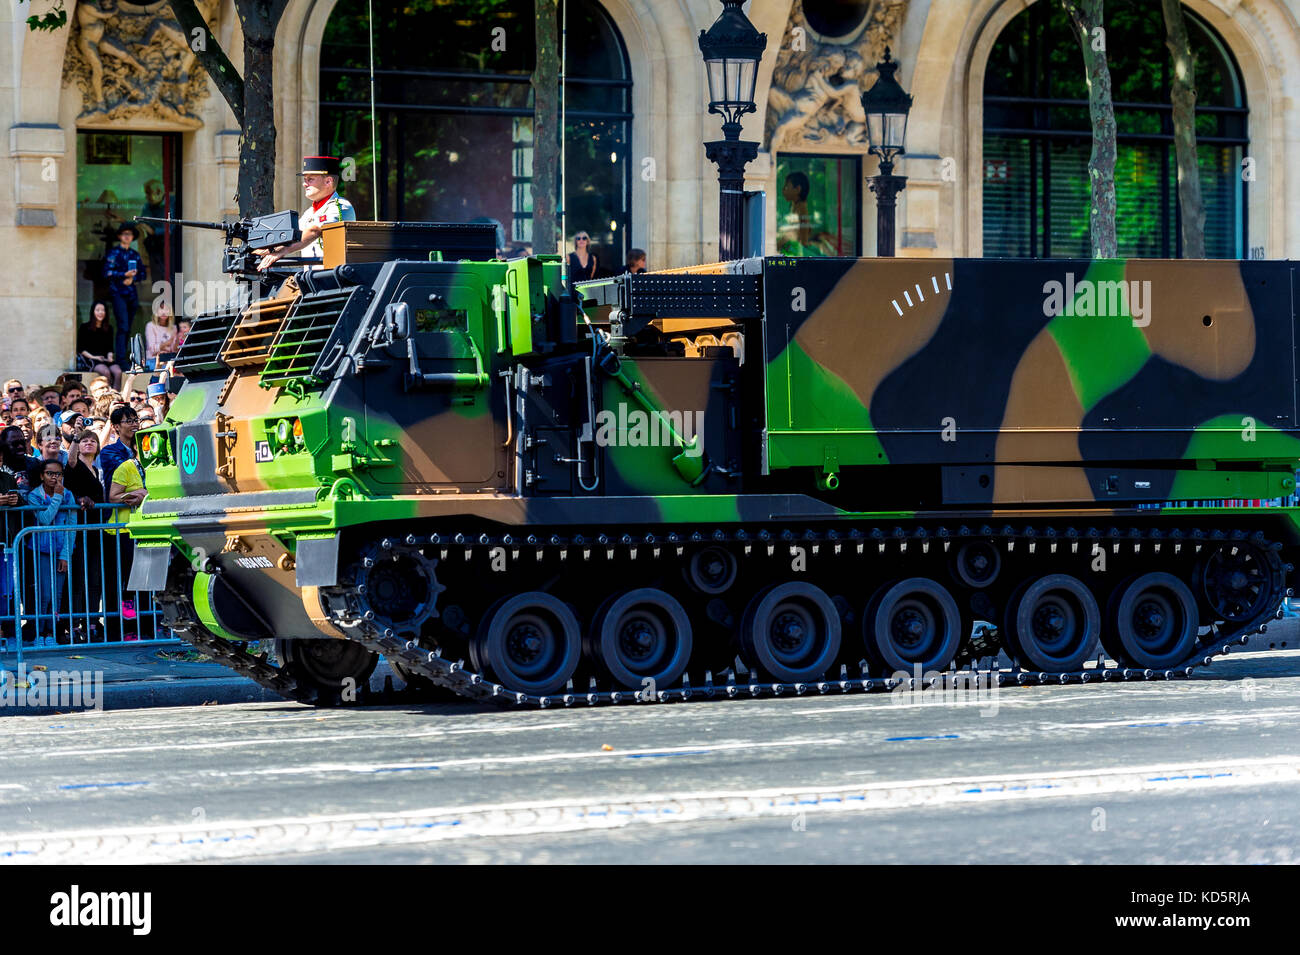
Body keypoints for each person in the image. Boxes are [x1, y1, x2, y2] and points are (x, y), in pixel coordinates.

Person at [254, 155, 356, 271]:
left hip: (335, 279)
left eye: (310, 179)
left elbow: (314, 230)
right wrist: (253, 253)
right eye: (305, 179)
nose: (304, 184)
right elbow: (291, 236)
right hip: (315, 278)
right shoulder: (310, 212)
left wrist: (282, 251)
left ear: (328, 181)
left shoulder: (340, 206)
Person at [26, 458, 76, 645]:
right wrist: (56, 497)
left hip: (60, 550)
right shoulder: (34, 496)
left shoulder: (68, 495)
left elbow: (71, 526)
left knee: (57, 595)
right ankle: (39, 633)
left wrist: (65, 555)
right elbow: (45, 519)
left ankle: (51, 633)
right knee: (44, 594)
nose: (54, 478)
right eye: (50, 473)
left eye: (58, 474)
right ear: (41, 475)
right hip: (41, 550)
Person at [64, 430, 105, 643]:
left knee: (95, 579)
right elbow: (70, 462)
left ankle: (91, 622)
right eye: (85, 441)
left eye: (93, 440)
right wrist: (76, 437)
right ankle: (74, 624)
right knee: (78, 579)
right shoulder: (74, 465)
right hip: (78, 530)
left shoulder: (98, 469)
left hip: (96, 531)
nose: (88, 443)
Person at [106, 451, 145, 641]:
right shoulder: (126, 467)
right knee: (125, 583)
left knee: (145, 583)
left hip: (148, 530)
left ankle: (147, 628)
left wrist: (146, 495)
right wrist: (136, 494)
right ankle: (120, 630)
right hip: (123, 532)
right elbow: (113, 497)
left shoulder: (156, 468)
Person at [104, 222, 146, 363]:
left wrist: (133, 278)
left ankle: (127, 356)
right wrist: (124, 275)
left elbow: (143, 274)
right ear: (120, 236)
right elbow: (107, 273)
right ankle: (120, 358)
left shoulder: (135, 254)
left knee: (128, 327)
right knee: (123, 326)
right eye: (125, 234)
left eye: (130, 234)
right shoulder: (114, 253)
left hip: (132, 295)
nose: (127, 237)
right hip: (118, 294)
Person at [77, 301, 122, 388]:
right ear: (93, 312)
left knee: (118, 372)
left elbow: (110, 348)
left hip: (105, 359)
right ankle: (108, 397)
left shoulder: (109, 328)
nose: (100, 312)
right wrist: (95, 357)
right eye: (97, 310)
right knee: (106, 372)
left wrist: (110, 357)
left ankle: (116, 396)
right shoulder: (84, 327)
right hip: (91, 359)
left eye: (103, 310)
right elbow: (81, 349)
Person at [99, 406, 139, 500]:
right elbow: (128, 469)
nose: (135, 424)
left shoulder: (145, 448)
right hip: (118, 509)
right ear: (116, 426)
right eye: (129, 421)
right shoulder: (108, 452)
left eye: (136, 420)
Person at [144, 299, 178, 368]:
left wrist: (178, 340)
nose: (164, 312)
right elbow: (152, 350)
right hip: (153, 360)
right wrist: (167, 343)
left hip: (169, 360)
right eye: (161, 309)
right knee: (166, 371)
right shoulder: (151, 326)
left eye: (167, 309)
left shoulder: (174, 328)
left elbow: (173, 350)